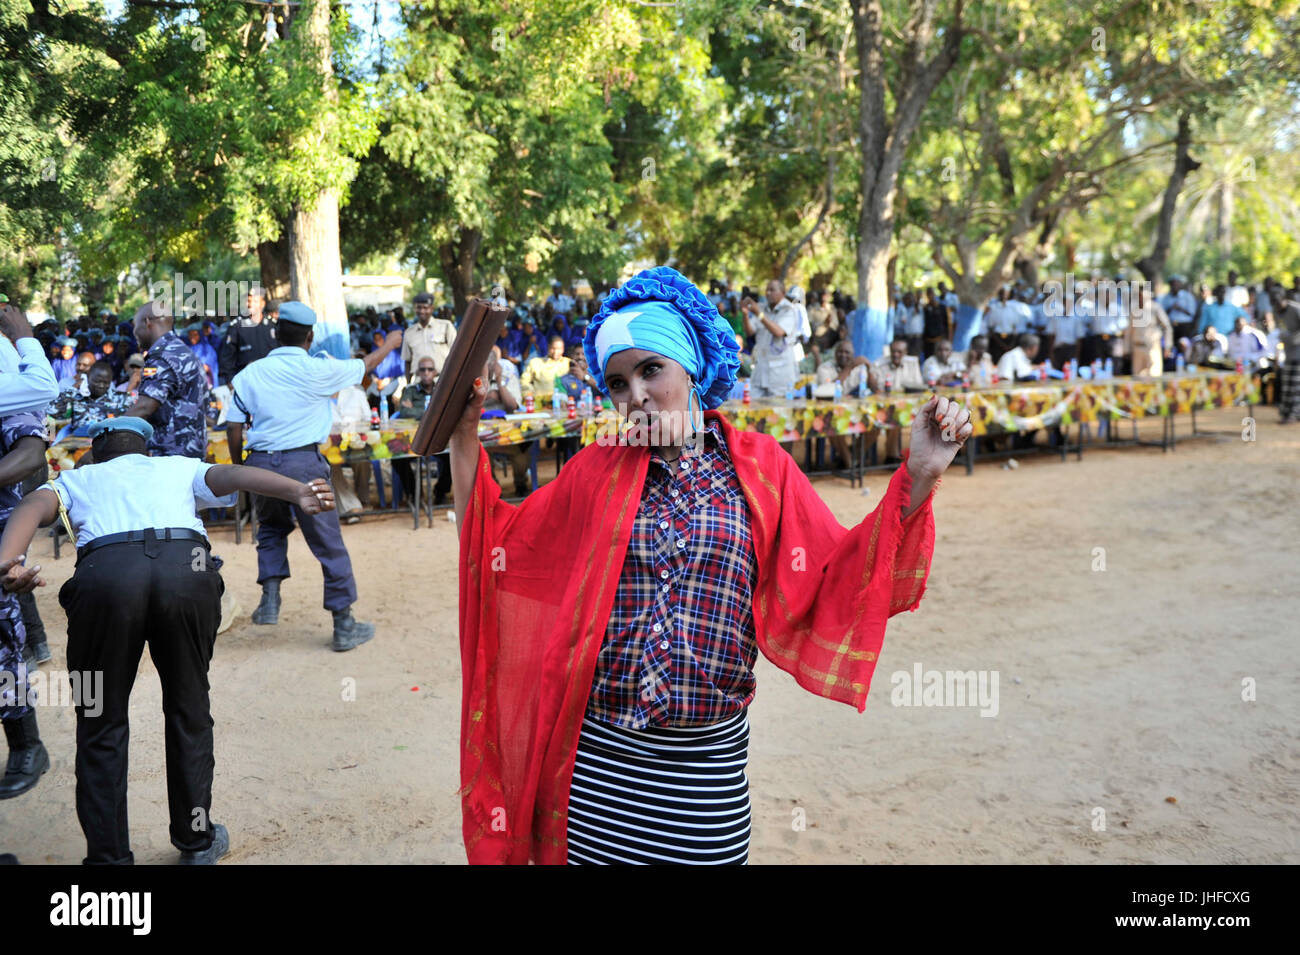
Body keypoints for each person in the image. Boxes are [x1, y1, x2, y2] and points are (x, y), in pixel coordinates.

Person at [447, 265, 972, 864]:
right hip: (598, 780)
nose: (636, 395)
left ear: (691, 365)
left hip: (705, 787)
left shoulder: (760, 469)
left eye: (651, 370)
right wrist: (465, 439)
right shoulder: (594, 472)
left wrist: (921, 476)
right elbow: (498, 550)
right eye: (617, 383)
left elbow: (839, 576)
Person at [0, 416, 336, 864]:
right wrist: (296, 491)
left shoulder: (77, 478)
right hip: (187, 571)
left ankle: (109, 858)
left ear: (95, 451)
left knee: (100, 721)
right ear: (146, 449)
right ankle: (196, 842)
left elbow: (30, 507)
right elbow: (233, 474)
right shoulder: (178, 466)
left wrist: (8, 562)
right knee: (189, 710)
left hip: (106, 582)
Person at [225, 300, 402, 650]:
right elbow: (365, 365)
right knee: (327, 542)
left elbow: (233, 427)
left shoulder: (249, 374)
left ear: (276, 334)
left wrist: (240, 470)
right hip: (304, 466)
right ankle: (343, 624)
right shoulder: (319, 370)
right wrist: (391, 344)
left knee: (271, 528)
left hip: (260, 464)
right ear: (309, 337)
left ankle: (270, 601)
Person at [0, 409, 50, 799]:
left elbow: (33, 454)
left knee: (2, 645)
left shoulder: (11, 394)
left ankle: (26, 745)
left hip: (1, 544)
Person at [121, 301, 209, 460]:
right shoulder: (182, 350)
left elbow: (144, 407)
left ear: (147, 322)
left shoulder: (162, 356)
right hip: (190, 453)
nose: (134, 332)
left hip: (170, 456)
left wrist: (109, 435)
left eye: (135, 326)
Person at [393, 356, 454, 505]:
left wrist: (417, 410)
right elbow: (404, 411)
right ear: (418, 373)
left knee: (454, 457)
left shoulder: (443, 389)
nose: (426, 372)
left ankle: (440, 491)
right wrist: (433, 412)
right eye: (423, 369)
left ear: (436, 372)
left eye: (430, 369)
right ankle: (415, 495)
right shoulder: (410, 390)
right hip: (413, 441)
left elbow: (448, 412)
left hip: (438, 440)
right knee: (397, 459)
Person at [741, 279, 801, 398]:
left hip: (781, 375)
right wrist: (745, 314)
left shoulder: (789, 309)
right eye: (767, 290)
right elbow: (749, 332)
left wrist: (759, 314)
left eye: (772, 290)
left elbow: (778, 332)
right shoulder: (762, 308)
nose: (768, 293)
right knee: (755, 409)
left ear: (782, 292)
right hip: (761, 370)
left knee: (779, 411)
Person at [218, 287, 278, 385]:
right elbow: (227, 357)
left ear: (262, 303)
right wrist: (230, 381)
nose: (250, 304)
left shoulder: (272, 325)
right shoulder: (237, 326)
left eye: (255, 301)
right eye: (248, 301)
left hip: (271, 380)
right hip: (246, 382)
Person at [50, 361, 131, 432]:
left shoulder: (121, 399)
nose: (101, 386)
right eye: (97, 381)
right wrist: (74, 388)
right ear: (88, 378)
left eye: (106, 383)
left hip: (108, 443)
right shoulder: (76, 397)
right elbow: (52, 412)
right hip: (79, 442)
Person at [402, 292, 457, 379]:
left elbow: (457, 353)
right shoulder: (409, 333)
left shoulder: (445, 326)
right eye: (419, 308)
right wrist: (408, 384)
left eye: (425, 308)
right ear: (415, 309)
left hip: (442, 379)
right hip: (418, 382)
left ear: (432, 308)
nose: (422, 311)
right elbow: (407, 361)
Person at [1126, 285, 1174, 378]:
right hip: (1137, 347)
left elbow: (1167, 327)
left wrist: (1168, 346)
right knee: (1137, 377)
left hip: (1152, 347)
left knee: (1154, 376)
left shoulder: (1155, 307)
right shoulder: (1133, 309)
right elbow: (1129, 331)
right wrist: (1127, 349)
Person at [519, 336, 570, 400]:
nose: (555, 352)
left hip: (563, 404)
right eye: (553, 348)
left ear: (563, 349)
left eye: (559, 349)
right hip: (539, 403)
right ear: (548, 347)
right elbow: (524, 381)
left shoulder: (568, 363)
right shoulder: (535, 363)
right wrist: (529, 394)